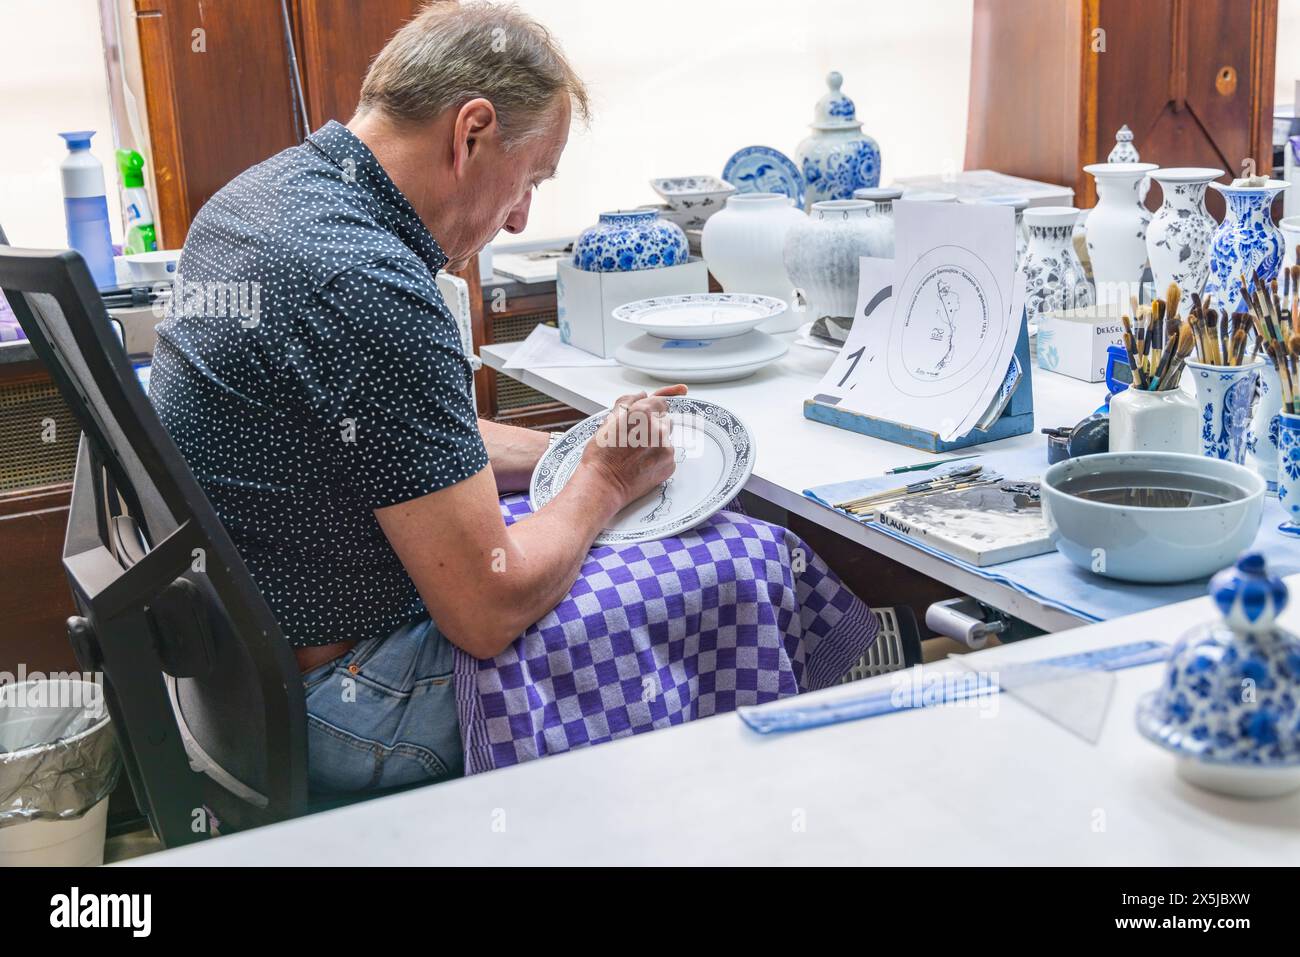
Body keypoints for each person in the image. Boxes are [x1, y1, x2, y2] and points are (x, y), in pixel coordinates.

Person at [151, 2, 868, 793]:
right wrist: (602, 480)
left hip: (231, 686)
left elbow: (408, 447)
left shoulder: (263, 199)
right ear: (471, 132)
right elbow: (486, 612)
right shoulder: (366, 281)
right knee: (745, 556)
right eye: (531, 177)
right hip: (346, 700)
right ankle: (760, 814)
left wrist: (585, 446)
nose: (521, 213)